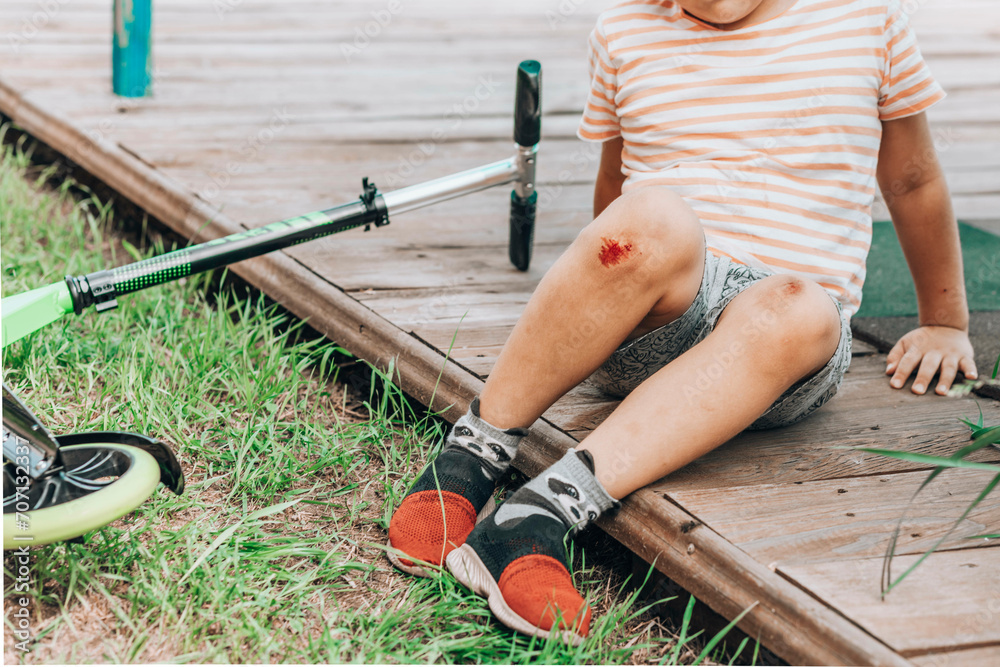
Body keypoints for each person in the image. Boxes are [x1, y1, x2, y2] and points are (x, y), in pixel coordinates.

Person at [386, 0, 977, 643]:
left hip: (780, 354)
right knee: (651, 217)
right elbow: (612, 200)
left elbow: (914, 180)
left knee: (800, 304)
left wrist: (944, 319)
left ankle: (538, 514)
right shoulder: (624, 31)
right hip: (655, 320)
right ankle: (474, 454)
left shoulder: (867, 18)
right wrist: (609, 286)